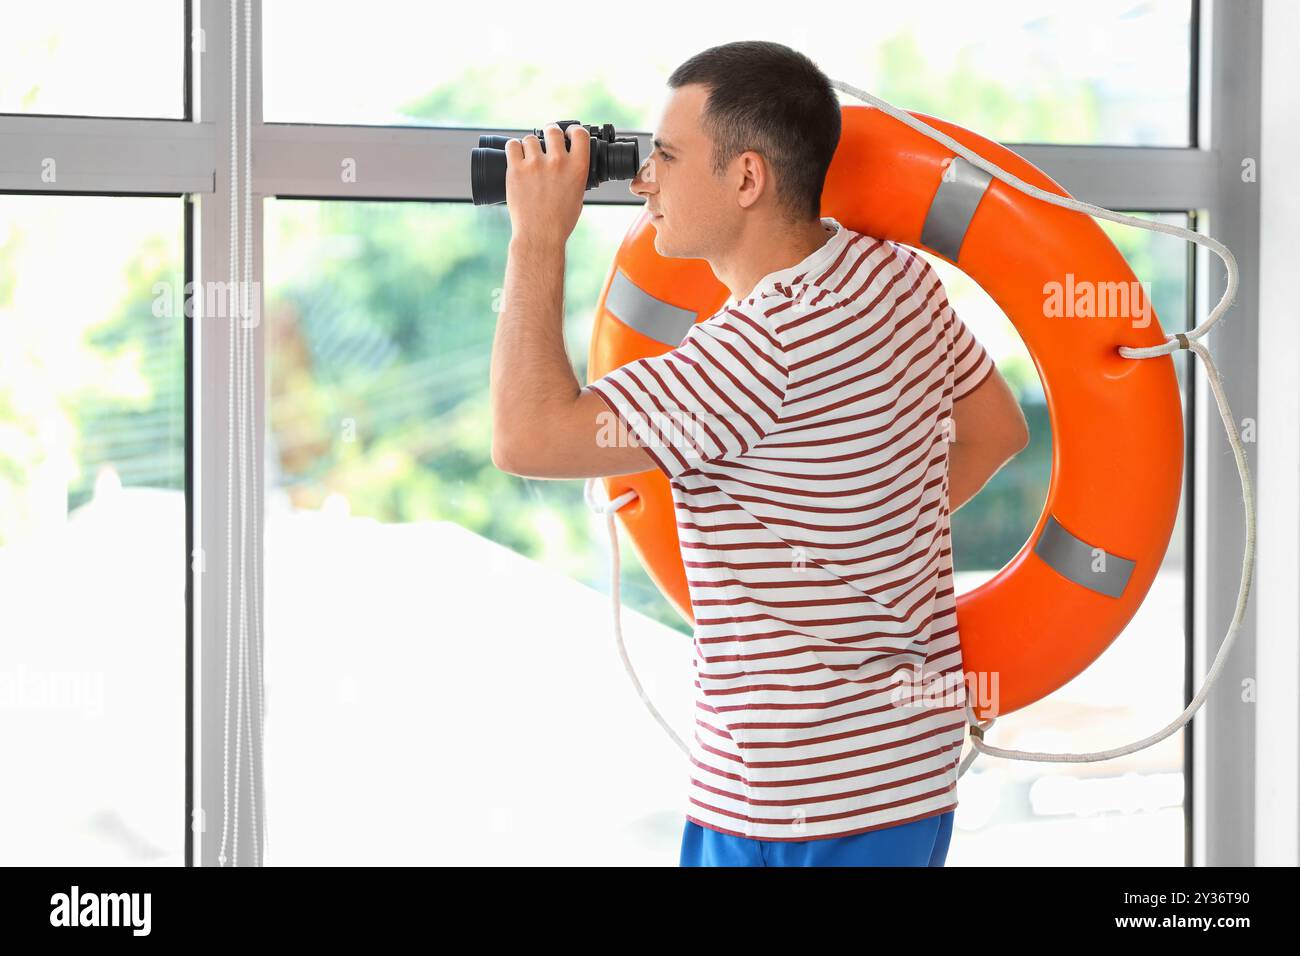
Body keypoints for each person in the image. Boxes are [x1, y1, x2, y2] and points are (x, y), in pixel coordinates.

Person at [489, 40, 1029, 866]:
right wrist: (850, 534)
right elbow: (998, 431)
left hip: (790, 803)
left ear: (747, 179)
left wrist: (537, 238)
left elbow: (526, 436)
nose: (645, 183)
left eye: (665, 158)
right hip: (910, 777)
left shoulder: (752, 353)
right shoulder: (893, 280)